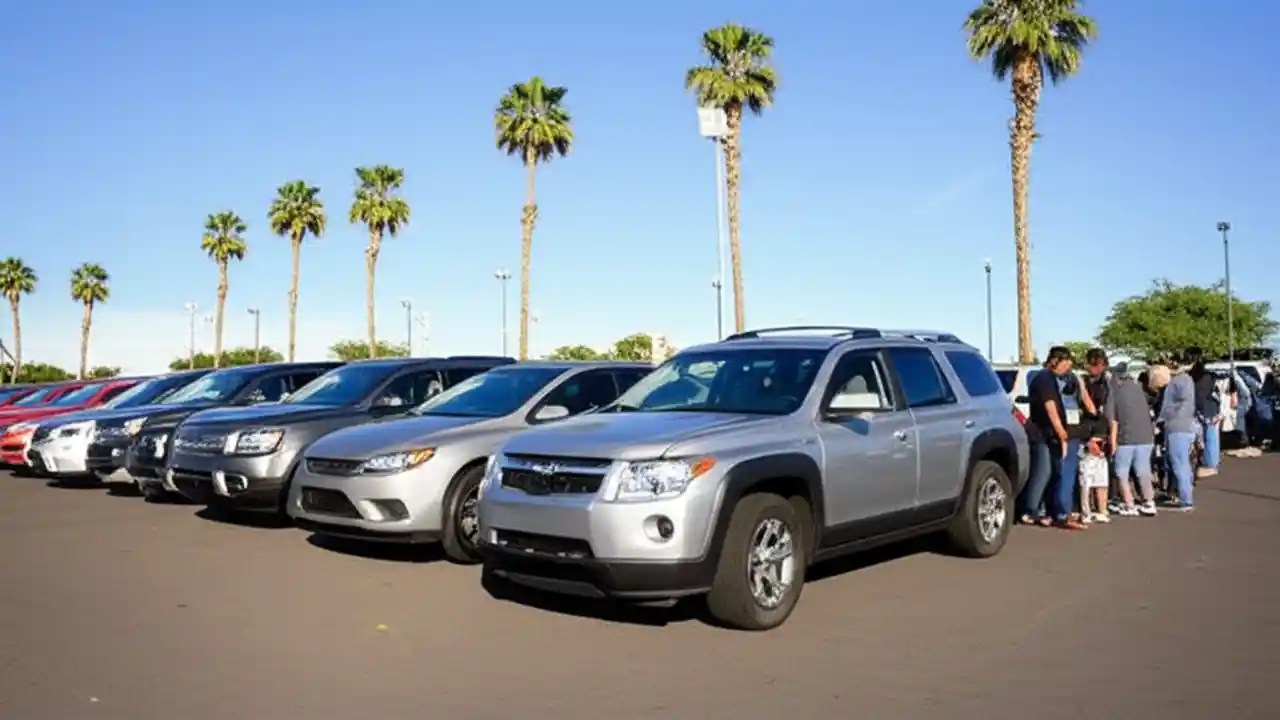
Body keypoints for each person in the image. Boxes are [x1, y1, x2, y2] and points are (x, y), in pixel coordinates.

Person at [1018, 346, 1087, 530]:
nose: (1068, 367)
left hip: (1048, 433)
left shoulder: (1052, 379)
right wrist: (1061, 433)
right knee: (1043, 471)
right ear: (1055, 361)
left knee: (1051, 472)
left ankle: (1047, 510)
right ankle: (1030, 510)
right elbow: (1050, 407)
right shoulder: (1045, 378)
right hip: (1042, 433)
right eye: (1066, 362)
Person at [1107, 362, 1158, 516]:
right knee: (1143, 470)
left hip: (1126, 438)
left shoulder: (1114, 392)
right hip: (1146, 437)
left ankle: (1129, 504)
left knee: (1121, 471)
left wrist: (1113, 443)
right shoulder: (1139, 390)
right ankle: (1149, 502)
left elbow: (1113, 421)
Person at [1159, 353, 1198, 511]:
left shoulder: (1178, 381)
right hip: (1186, 426)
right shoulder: (1186, 380)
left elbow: (1173, 404)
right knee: (1183, 464)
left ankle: (1186, 500)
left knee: (1179, 463)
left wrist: (1165, 417)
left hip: (1177, 427)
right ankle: (1185, 496)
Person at [1186, 347, 1221, 478]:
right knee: (1211, 436)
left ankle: (1207, 463)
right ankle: (1211, 464)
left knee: (1201, 437)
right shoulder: (1210, 377)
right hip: (1210, 408)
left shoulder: (1191, 377)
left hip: (1198, 408)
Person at [1078, 418, 1111, 523]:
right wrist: (1088, 442)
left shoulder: (1102, 415)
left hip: (1102, 449)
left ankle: (1102, 510)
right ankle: (1085, 511)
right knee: (1086, 483)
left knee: (1102, 482)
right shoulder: (1082, 416)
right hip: (1086, 452)